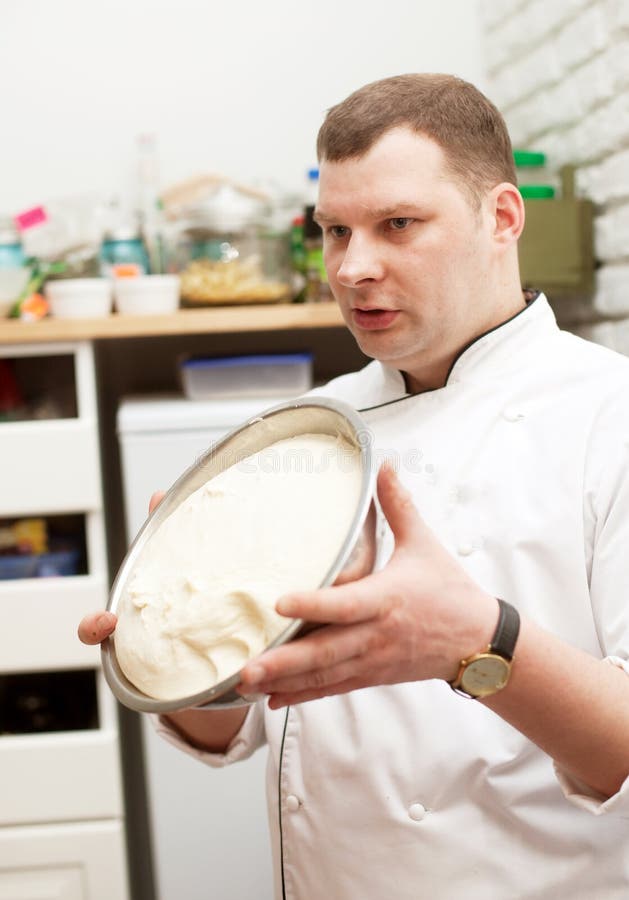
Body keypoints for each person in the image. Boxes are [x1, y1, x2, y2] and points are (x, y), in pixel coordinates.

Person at [80, 74, 629, 898]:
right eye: (334, 231)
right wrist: (171, 652)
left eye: (397, 225)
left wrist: (475, 642)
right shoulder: (310, 426)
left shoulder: (606, 416)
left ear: (502, 218)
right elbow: (233, 725)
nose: (353, 267)